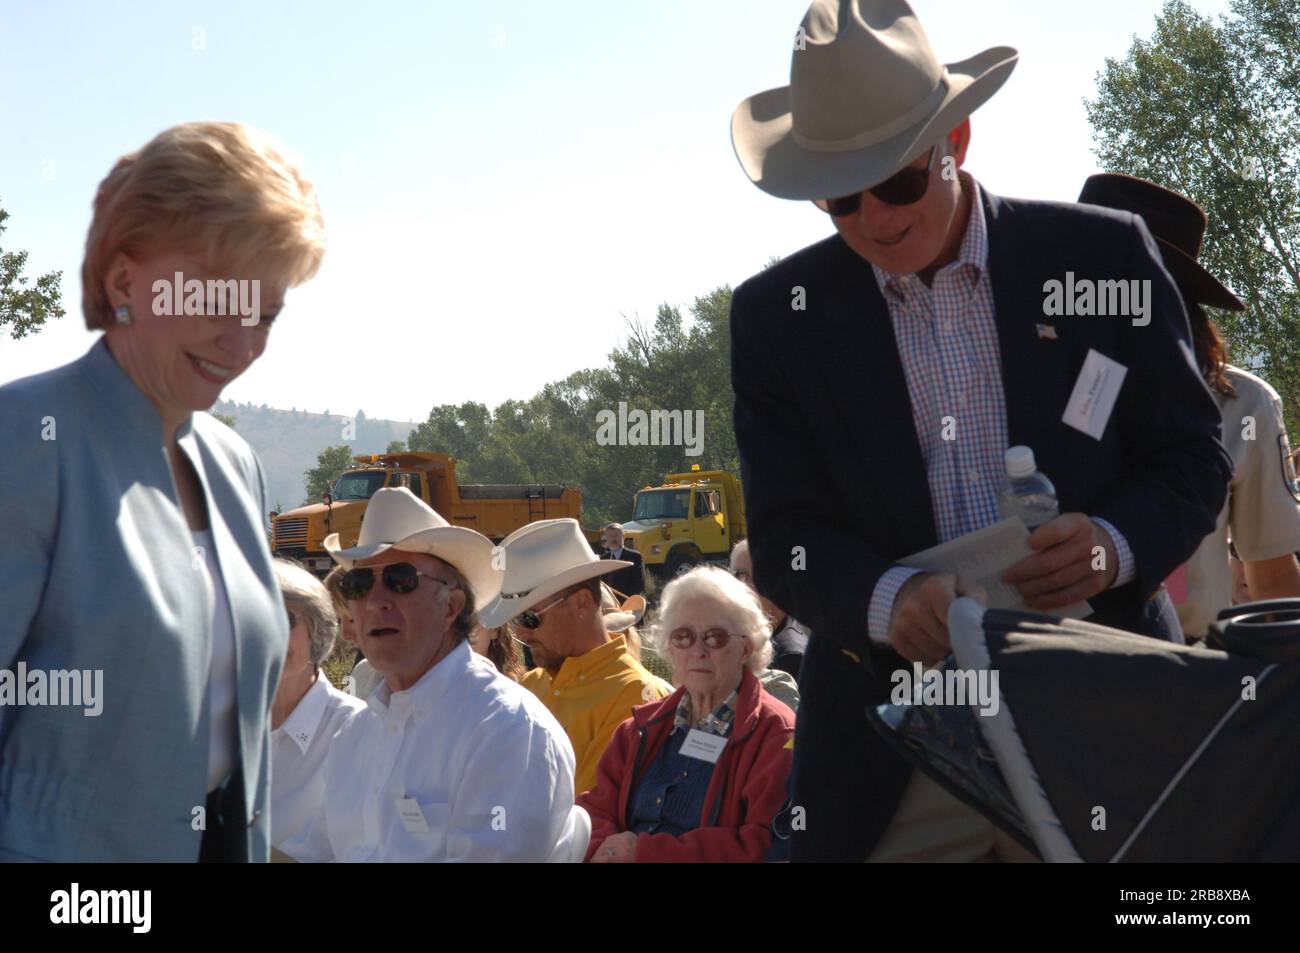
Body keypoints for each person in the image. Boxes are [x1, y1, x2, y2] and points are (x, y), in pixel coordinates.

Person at [728, 0, 1231, 861]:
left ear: (954, 145)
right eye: (841, 199)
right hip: (894, 740)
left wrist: (1110, 544)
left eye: (898, 182)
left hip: (1099, 704)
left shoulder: (1105, 257)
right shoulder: (776, 318)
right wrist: (888, 602)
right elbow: (783, 538)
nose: (875, 220)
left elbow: (1193, 456)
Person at [0, 121, 324, 862]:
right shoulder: (24, 438)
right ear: (122, 281)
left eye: (265, 315)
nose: (242, 345)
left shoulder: (236, 465)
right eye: (218, 301)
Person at [292, 488, 583, 862]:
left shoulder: (507, 728)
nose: (376, 600)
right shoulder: (355, 734)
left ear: (451, 606)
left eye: (400, 580)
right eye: (359, 585)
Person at [1078, 173, 1300, 639]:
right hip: (1049, 674)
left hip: (1191, 683)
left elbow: (1273, 580)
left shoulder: (1243, 406)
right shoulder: (1028, 385)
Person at [579, 566, 795, 862]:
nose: (698, 650)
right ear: (669, 647)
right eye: (683, 637)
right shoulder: (637, 730)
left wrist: (644, 853)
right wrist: (607, 850)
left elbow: (768, 843)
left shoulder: (777, 736)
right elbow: (595, 811)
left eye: (715, 637)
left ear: (745, 648)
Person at [479, 519, 672, 794]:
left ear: (581, 602)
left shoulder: (633, 695)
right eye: (515, 619)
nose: (522, 631)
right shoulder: (530, 685)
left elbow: (581, 812)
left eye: (530, 617)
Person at [268, 560, 364, 861]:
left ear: (317, 632)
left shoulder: (357, 728)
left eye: (285, 618)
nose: (270, 633)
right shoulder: (220, 724)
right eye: (253, 618)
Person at [730, 539, 810, 679]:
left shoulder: (789, 657)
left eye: (754, 577)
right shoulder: (749, 634)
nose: (744, 586)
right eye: (737, 575)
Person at [600, 522, 646, 597]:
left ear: (623, 537)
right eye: (611, 536)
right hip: (608, 604)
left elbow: (639, 585)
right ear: (607, 538)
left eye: (617, 535)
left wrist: (622, 601)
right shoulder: (602, 559)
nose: (614, 539)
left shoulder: (634, 557)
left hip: (627, 602)